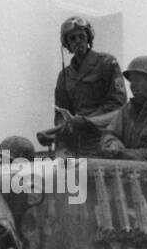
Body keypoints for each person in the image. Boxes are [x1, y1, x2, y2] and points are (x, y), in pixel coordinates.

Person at [43, 16, 126, 154]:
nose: (78, 41)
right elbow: (60, 112)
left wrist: (86, 120)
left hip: (104, 136)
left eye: (82, 36)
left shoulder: (106, 63)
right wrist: (59, 128)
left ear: (89, 38)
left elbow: (117, 102)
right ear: (67, 45)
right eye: (72, 38)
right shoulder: (64, 76)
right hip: (76, 141)